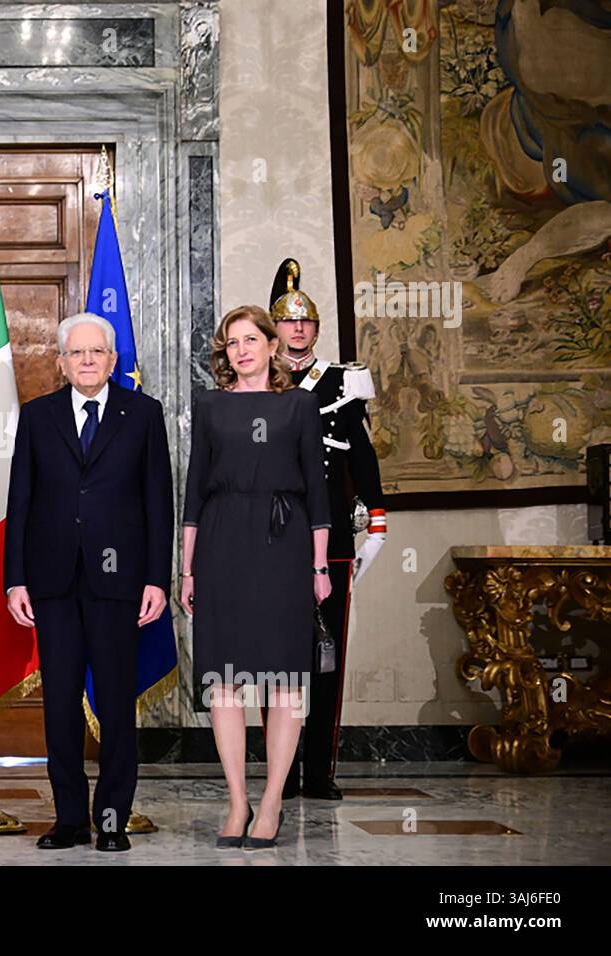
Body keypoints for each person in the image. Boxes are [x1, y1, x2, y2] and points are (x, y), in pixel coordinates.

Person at [4, 312, 173, 853]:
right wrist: (15, 580)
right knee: (59, 706)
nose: (87, 360)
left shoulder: (143, 414)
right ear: (60, 363)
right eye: (76, 353)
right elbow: (20, 501)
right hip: (53, 583)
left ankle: (112, 818)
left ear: (113, 359)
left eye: (96, 352)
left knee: (117, 704)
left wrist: (157, 578)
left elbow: (158, 502)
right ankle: (70, 818)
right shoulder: (38, 416)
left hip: (120, 584)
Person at [179, 304, 331, 850]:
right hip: (222, 543)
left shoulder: (300, 405)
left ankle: (271, 804)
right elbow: (195, 490)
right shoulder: (210, 405)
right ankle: (238, 801)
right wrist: (187, 568)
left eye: (250, 339)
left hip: (284, 545)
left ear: (271, 345)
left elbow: (318, 492)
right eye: (232, 342)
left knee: (284, 680)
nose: (241, 350)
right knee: (225, 679)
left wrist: (319, 565)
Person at [267, 259, 388, 799]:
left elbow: (361, 455)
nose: (297, 329)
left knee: (327, 654)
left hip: (332, 534)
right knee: (276, 657)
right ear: (275, 328)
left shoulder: (343, 380)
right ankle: (281, 771)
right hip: (274, 535)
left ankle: (319, 771)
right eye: (288, 321)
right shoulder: (261, 379)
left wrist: (377, 521)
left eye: (305, 322)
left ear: (316, 329)